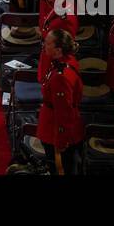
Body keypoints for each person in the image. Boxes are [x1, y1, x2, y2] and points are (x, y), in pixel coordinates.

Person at [37, 29, 84, 175]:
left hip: (56, 131)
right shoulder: (66, 61)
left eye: (48, 43)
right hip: (56, 122)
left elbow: (64, 112)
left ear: (58, 50)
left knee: (60, 169)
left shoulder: (60, 76)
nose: (44, 44)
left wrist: (61, 140)